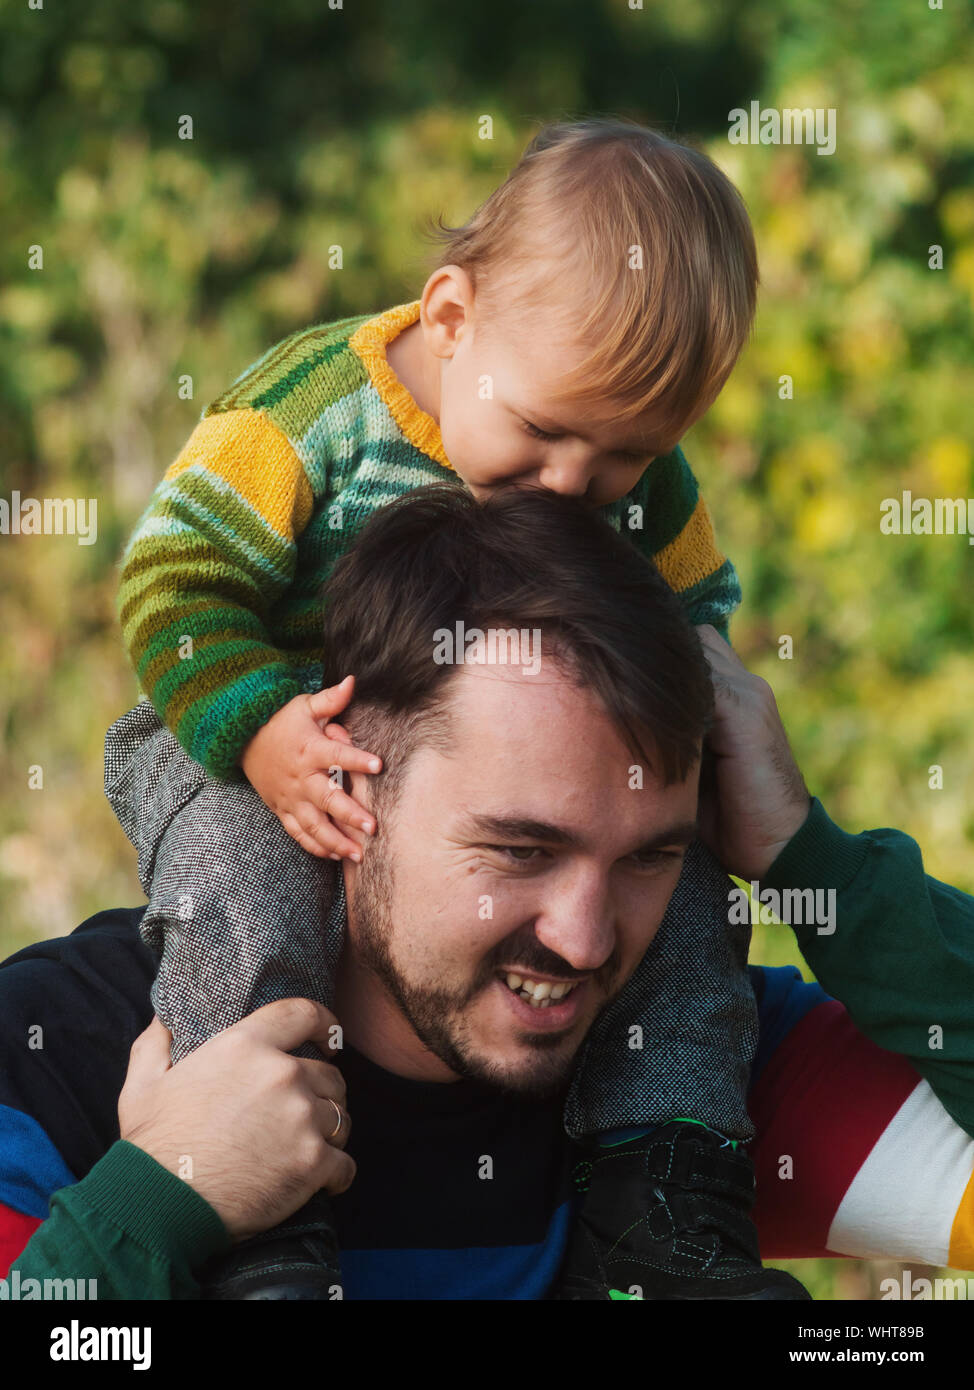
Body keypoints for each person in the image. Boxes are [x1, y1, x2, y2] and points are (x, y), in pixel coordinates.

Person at [106, 117, 779, 1295]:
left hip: (456, 773)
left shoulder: (628, 467)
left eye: (621, 455)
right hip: (228, 726)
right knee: (244, 881)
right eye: (541, 431)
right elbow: (174, 583)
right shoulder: (311, 410)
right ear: (452, 317)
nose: (574, 486)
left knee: (677, 899)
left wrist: (725, 771)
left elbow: (687, 622)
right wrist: (263, 729)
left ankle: (660, 1192)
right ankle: (260, 1208)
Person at [3, 488, 973, 1301]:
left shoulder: (697, 1083)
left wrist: (810, 860)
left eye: (649, 857)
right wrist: (154, 1201)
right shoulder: (50, 1058)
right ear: (341, 784)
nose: (586, 941)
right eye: (519, 848)